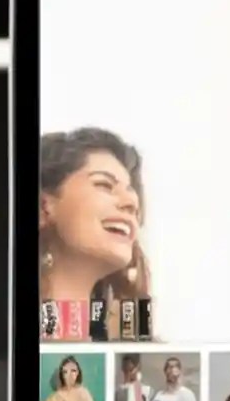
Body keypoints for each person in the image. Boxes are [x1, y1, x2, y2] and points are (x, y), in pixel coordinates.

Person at [39, 127, 150, 307]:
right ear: (44, 207)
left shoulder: (127, 331)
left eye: (131, 191)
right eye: (104, 184)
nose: (131, 202)